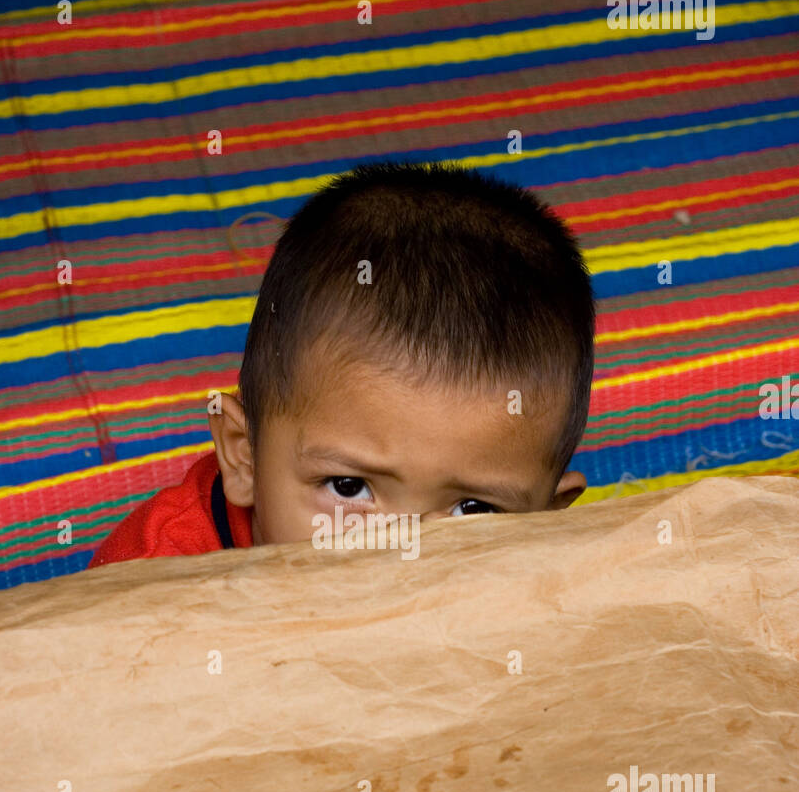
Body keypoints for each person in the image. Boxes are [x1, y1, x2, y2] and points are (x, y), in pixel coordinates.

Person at [87, 161, 594, 568]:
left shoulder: (557, 590)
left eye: (474, 510)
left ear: (549, 518)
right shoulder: (152, 580)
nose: (401, 554)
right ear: (244, 456)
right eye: (349, 487)